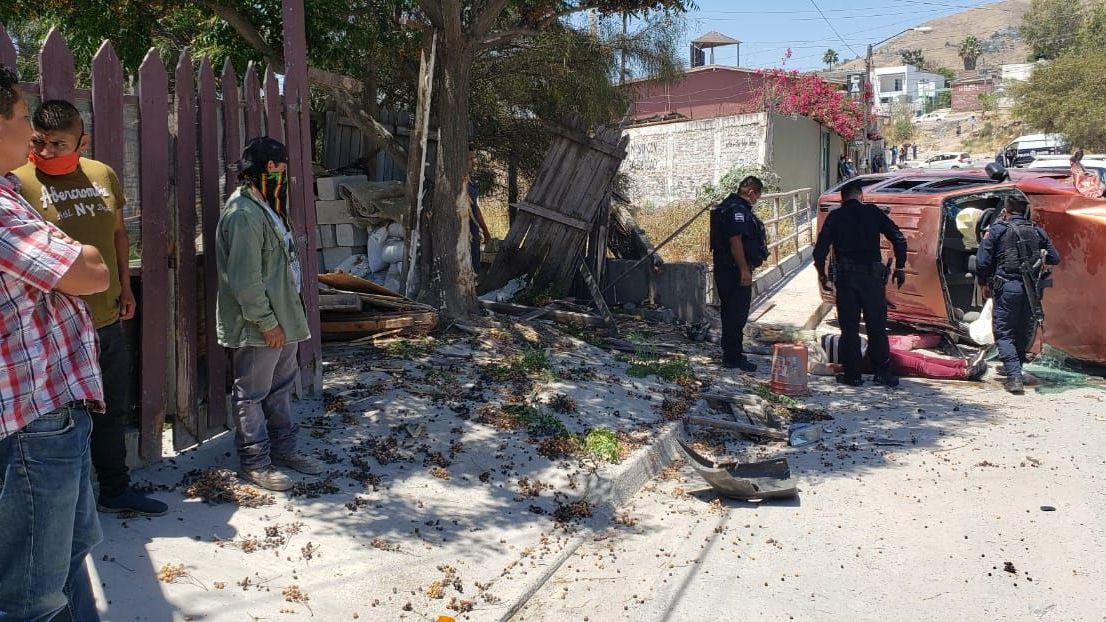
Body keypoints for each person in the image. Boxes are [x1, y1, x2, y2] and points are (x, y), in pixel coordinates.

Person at [13, 99, 167, 517]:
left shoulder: (102, 175)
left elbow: (117, 234)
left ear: (82, 141)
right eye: (39, 142)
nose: (45, 153)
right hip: (51, 330)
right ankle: (66, 505)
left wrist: (125, 288)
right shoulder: (18, 183)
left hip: (104, 318)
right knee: (58, 421)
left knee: (111, 408)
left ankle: (115, 488)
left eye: (57, 144)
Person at [0, 63, 109, 621]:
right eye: (22, 119)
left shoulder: (11, 191)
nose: (31, 134)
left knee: (68, 555)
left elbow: (107, 245)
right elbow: (89, 270)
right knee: (31, 594)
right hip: (31, 423)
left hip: (53, 411)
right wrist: (72, 255)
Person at [216, 136, 323, 491]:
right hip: (263, 325)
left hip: (285, 320)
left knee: (280, 389)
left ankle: (285, 450)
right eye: (278, 168)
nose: (282, 174)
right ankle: (255, 463)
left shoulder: (269, 206)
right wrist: (267, 322)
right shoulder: (243, 214)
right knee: (252, 393)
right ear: (267, 169)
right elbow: (245, 280)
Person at [813, 178, 907, 387]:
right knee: (877, 326)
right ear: (861, 196)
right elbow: (899, 238)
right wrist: (900, 267)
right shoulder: (873, 212)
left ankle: (852, 375)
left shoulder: (835, 216)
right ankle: (883, 372)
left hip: (846, 279)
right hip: (872, 279)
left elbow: (819, 252)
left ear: (842, 199)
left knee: (849, 328)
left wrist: (822, 276)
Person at [975, 196, 1060, 394]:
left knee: (1004, 333)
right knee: (1021, 332)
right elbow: (1055, 258)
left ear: (1005, 210)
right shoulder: (1037, 231)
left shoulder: (998, 230)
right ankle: (1016, 369)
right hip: (1032, 290)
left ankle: (1014, 378)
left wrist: (983, 284)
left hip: (1007, 288)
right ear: (1025, 211)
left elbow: (982, 263)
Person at [710, 176, 769, 372]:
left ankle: (732, 353)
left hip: (727, 268)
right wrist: (744, 269)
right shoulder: (737, 210)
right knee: (736, 314)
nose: (756, 200)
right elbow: (735, 240)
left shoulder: (728, 206)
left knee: (731, 313)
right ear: (751, 192)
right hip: (734, 270)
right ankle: (733, 356)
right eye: (757, 196)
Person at [816, 333, 989, 381]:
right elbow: (816, 368)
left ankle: (962, 363)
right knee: (918, 366)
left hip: (872, 348)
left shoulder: (806, 341)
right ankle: (965, 373)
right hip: (866, 359)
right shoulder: (805, 355)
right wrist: (843, 368)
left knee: (921, 358)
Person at [466, 147, 492, 272]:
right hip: (462, 232)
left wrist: (485, 229)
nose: (474, 162)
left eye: (473, 159)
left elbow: (475, 208)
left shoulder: (472, 183)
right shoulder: (457, 183)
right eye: (470, 159)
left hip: (473, 231)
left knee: (474, 267)